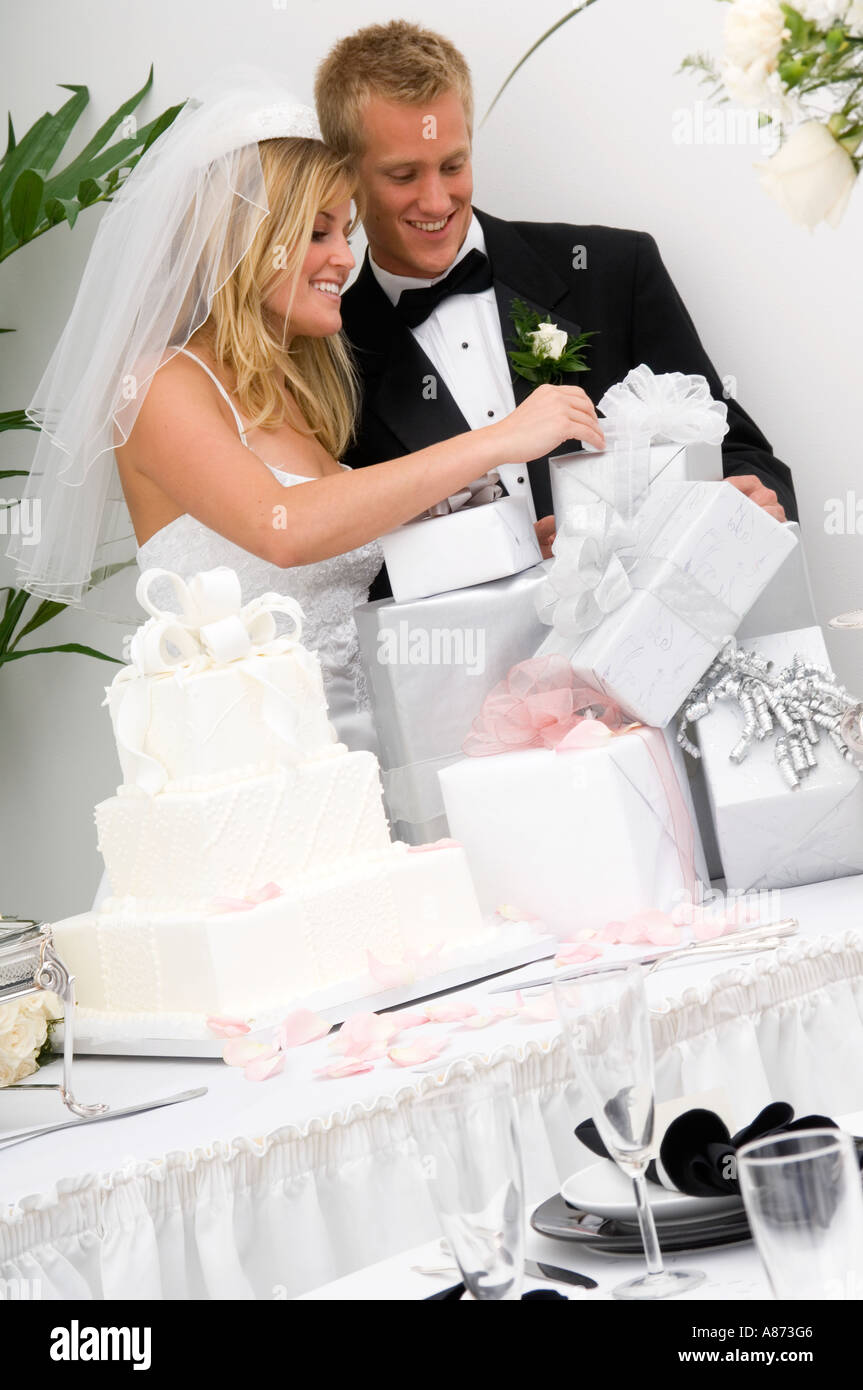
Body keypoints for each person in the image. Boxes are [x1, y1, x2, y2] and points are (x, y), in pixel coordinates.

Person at [7, 72, 603, 755]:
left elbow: (348, 539)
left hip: (363, 748)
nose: (345, 259)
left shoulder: (299, 395)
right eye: (319, 232)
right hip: (254, 760)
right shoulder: (158, 386)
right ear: (243, 239)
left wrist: (507, 543)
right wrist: (497, 440)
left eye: (345, 232)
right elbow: (283, 530)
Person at [315, 20, 798, 601]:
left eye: (453, 165)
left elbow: (740, 453)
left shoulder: (614, 269)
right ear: (344, 178)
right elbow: (348, 572)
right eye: (403, 175)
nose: (437, 200)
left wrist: (754, 500)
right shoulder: (324, 356)